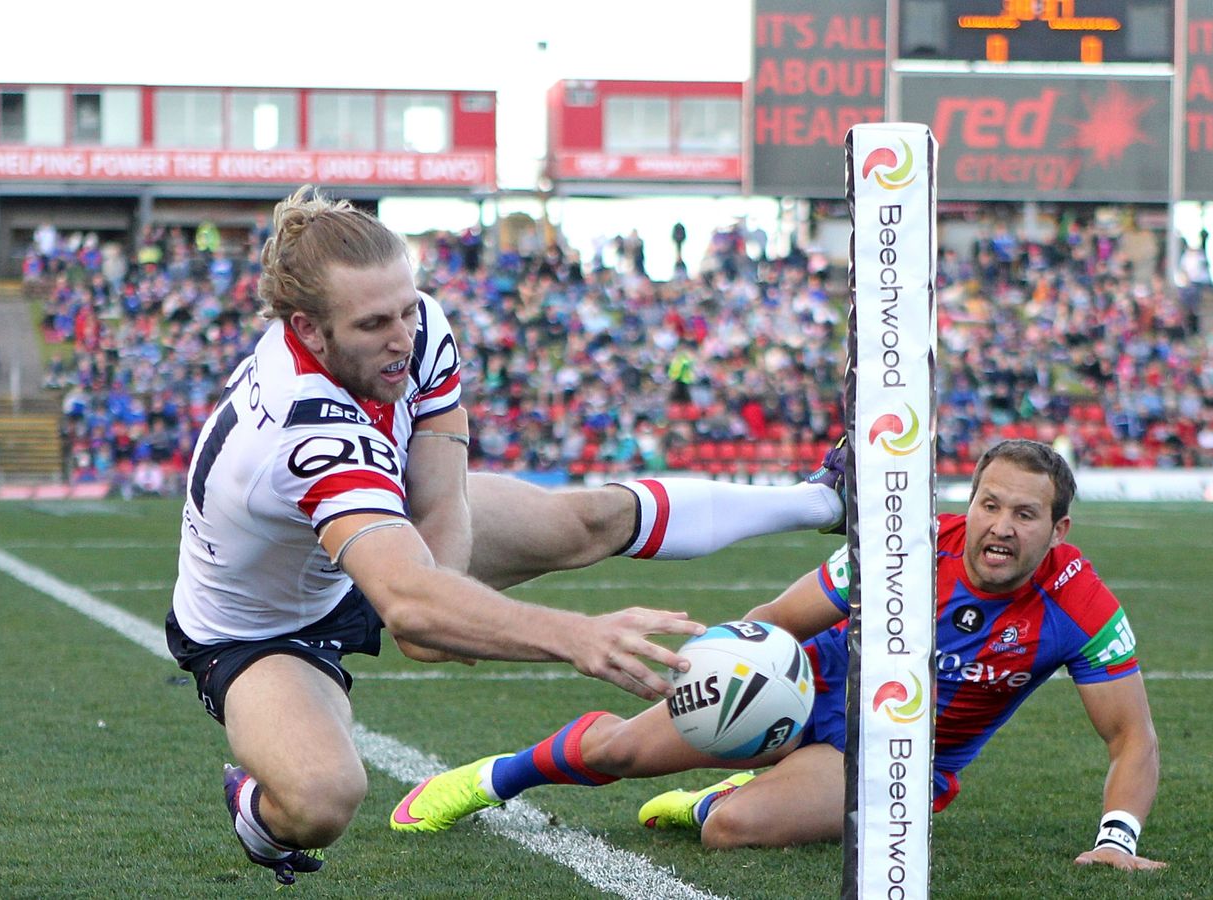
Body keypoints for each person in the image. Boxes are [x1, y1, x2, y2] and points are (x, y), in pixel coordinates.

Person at [169, 185, 848, 885]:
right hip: (263, 625)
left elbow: (438, 479)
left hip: (379, 531)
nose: (402, 335)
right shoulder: (302, 425)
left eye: (407, 307)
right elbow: (408, 601)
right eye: (374, 323)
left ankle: (821, 498)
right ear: (309, 330)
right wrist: (573, 635)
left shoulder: (417, 327)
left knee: (583, 521)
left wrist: (445, 592)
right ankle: (256, 814)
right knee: (321, 800)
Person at [393, 439, 1164, 872]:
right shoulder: (908, 546)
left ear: (1057, 532)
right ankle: (489, 778)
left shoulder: (1082, 606)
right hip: (805, 688)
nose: (1001, 525)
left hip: (894, 759)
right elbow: (776, 618)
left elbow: (1131, 737)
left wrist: (1116, 839)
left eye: (1025, 514)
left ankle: (708, 801)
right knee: (623, 748)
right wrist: (740, 676)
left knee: (731, 830)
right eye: (989, 503)